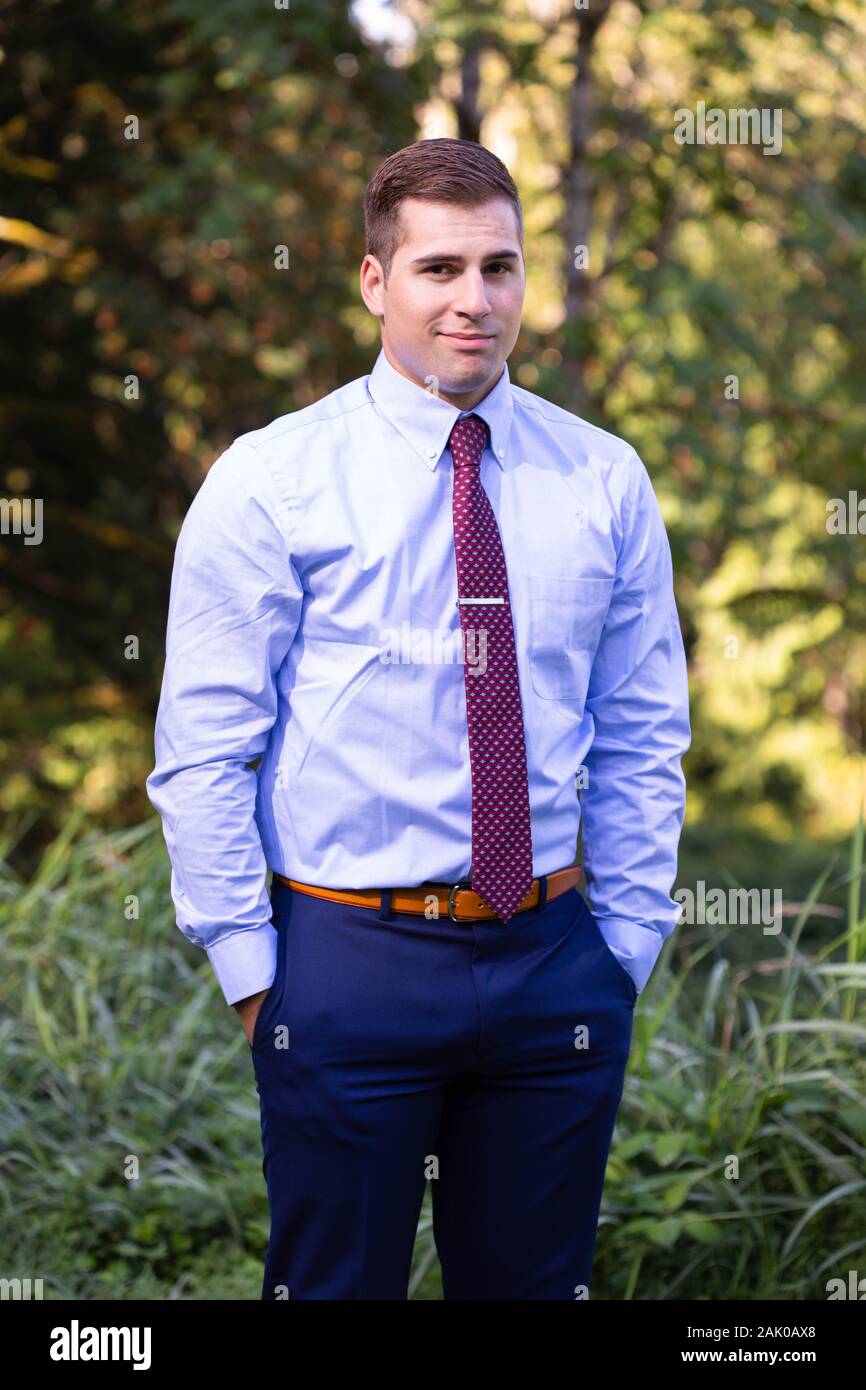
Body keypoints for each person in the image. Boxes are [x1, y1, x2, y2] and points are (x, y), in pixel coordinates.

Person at [146, 136, 691, 1301]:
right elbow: (203, 751)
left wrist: (622, 949)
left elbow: (642, 732)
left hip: (553, 960)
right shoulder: (272, 480)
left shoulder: (602, 479)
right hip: (345, 962)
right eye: (438, 267)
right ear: (373, 280)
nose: (473, 299)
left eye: (499, 266)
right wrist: (254, 976)